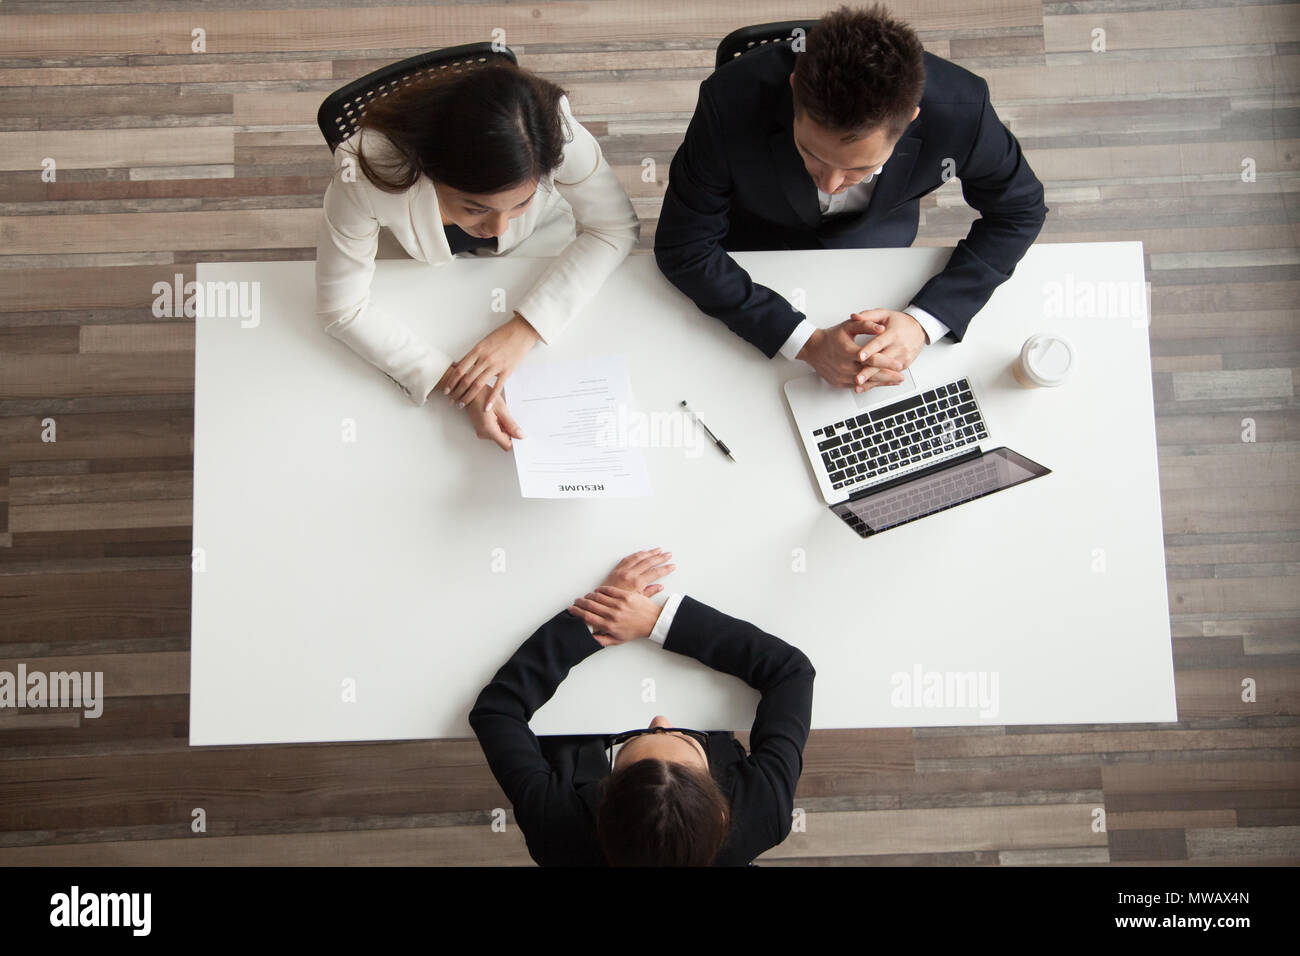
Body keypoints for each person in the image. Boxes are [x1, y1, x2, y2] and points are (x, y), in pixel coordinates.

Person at [654, 4, 1047, 396]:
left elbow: (1019, 210)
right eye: (812, 154)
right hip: (754, 244)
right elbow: (683, 246)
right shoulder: (727, 101)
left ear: (909, 120)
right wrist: (804, 341)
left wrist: (923, 321)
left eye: (859, 169)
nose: (829, 183)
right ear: (794, 90)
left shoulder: (964, 110)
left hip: (876, 247)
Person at [315, 60, 639, 451]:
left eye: (520, 202)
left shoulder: (558, 134)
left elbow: (615, 226)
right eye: (475, 208)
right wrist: (455, 383)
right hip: (412, 266)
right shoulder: (365, 172)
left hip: (536, 249)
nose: (498, 227)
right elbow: (342, 308)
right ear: (430, 171)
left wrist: (525, 328)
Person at [469, 549, 815, 866]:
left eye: (633, 741)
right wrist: (657, 623)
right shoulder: (764, 808)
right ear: (723, 812)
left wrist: (595, 615)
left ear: (603, 795)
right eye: (686, 740)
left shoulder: (555, 826)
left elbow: (498, 710)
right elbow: (790, 672)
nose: (660, 718)